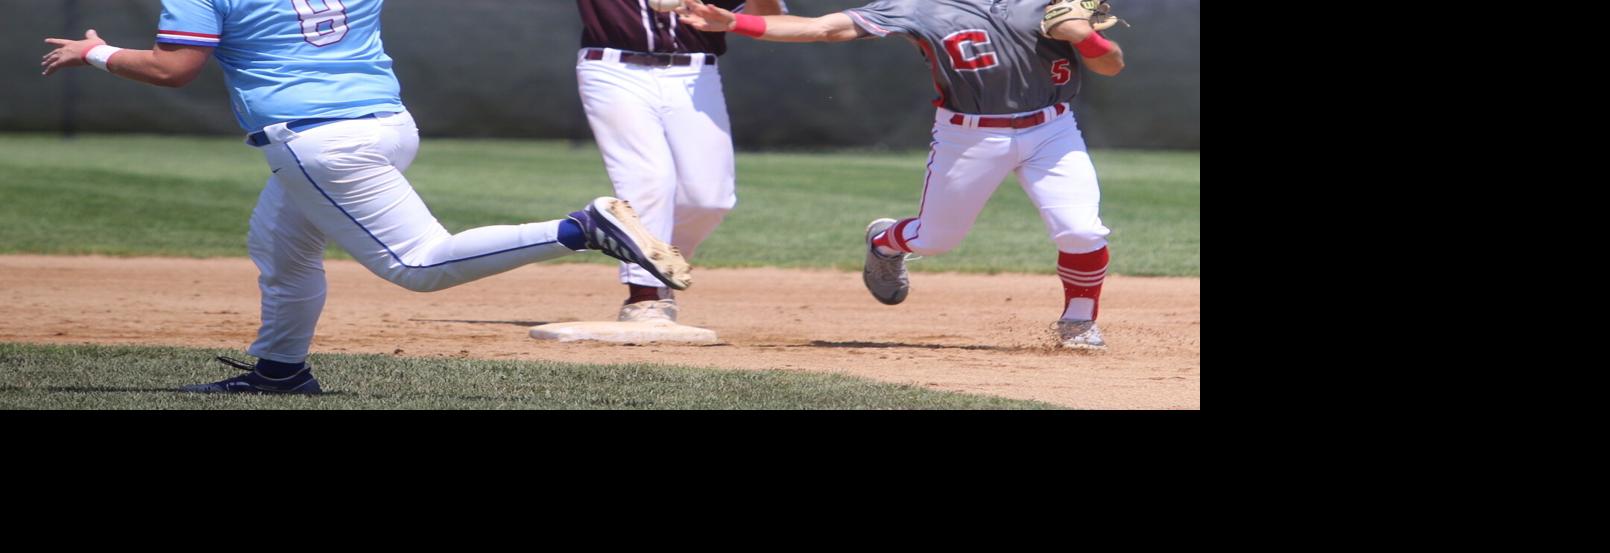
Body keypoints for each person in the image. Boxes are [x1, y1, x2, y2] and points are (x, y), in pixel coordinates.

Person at [41, 0, 691, 395]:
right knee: (280, 244)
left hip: (320, 140)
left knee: (415, 263)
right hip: (387, 123)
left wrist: (97, 53)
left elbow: (172, 68)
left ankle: (582, 228)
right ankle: (280, 372)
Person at [679, 0, 1125, 350]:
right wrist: (737, 24)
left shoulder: (1049, 2)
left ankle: (1078, 321)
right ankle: (884, 241)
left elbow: (1112, 66)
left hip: (1052, 128)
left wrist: (1085, 38)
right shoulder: (917, 6)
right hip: (969, 137)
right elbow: (824, 28)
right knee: (935, 240)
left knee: (1081, 230)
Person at [575, 0, 785, 324]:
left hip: (694, 73)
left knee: (709, 199)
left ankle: (662, 261)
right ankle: (646, 294)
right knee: (649, 179)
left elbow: (769, 18)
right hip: (613, 70)